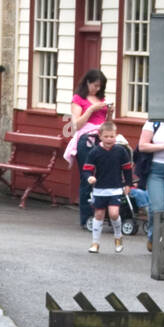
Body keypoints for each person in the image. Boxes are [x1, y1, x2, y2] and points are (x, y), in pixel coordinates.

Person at [63, 70, 110, 229]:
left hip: (102, 136)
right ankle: (86, 217)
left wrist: (110, 112)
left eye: (100, 86)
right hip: (86, 138)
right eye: (95, 85)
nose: (97, 89)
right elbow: (77, 125)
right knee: (87, 176)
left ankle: (102, 212)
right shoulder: (78, 99)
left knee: (104, 175)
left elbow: (107, 121)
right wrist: (91, 109)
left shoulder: (101, 99)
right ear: (87, 83)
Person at [83, 121, 133, 254]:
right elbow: (87, 169)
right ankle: (95, 243)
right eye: (106, 136)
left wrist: (128, 184)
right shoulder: (95, 152)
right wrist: (89, 177)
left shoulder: (121, 151)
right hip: (99, 188)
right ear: (100, 136)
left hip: (116, 188)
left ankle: (118, 237)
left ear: (115, 136)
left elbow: (127, 169)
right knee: (98, 214)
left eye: (112, 136)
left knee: (114, 213)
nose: (109, 139)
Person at [139, 117, 164, 253]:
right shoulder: (153, 123)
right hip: (156, 170)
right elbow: (142, 145)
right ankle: (153, 238)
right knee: (158, 208)